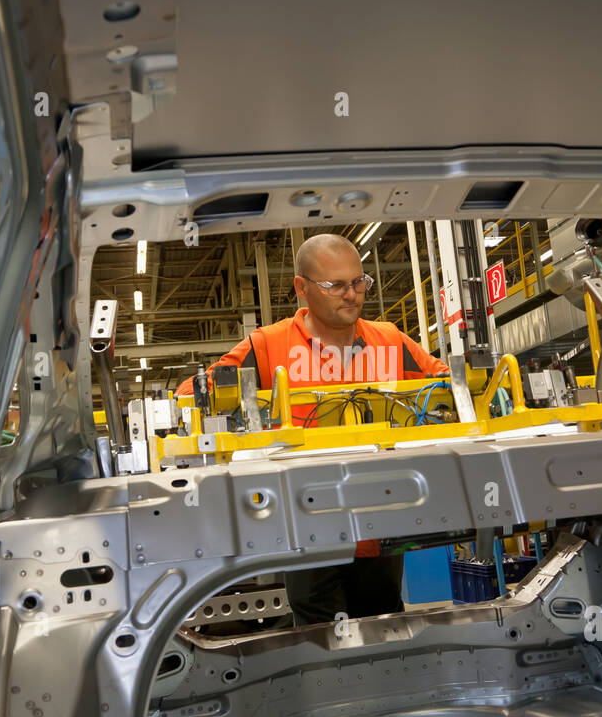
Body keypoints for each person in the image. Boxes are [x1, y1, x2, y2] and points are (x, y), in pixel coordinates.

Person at [177, 233, 449, 624]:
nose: (351, 295)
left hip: (379, 516)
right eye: (335, 285)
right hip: (307, 524)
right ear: (301, 288)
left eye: (358, 282)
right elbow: (197, 391)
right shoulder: (270, 345)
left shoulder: (388, 340)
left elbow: (450, 386)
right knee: (320, 630)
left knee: (384, 620)